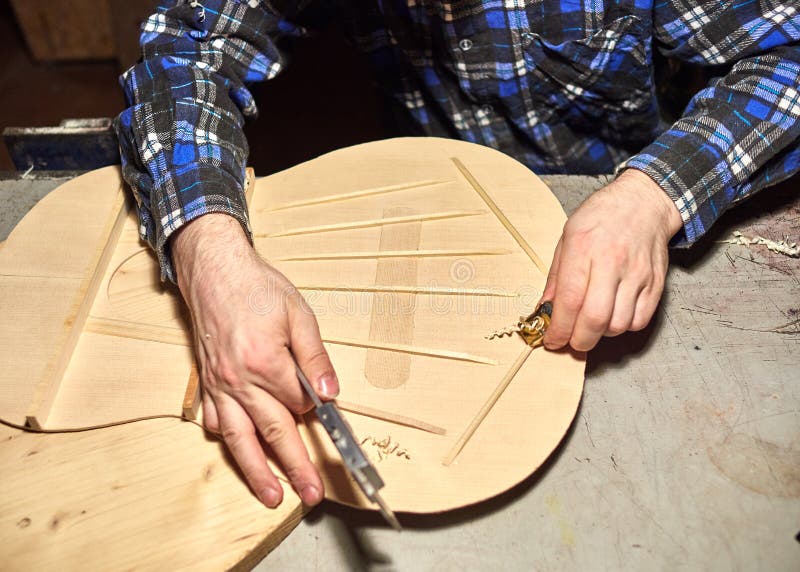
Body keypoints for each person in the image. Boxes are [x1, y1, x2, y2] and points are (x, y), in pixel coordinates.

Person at [113, 0, 800, 510]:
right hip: (430, 194)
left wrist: (659, 192)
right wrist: (209, 252)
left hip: (624, 190)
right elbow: (188, 45)